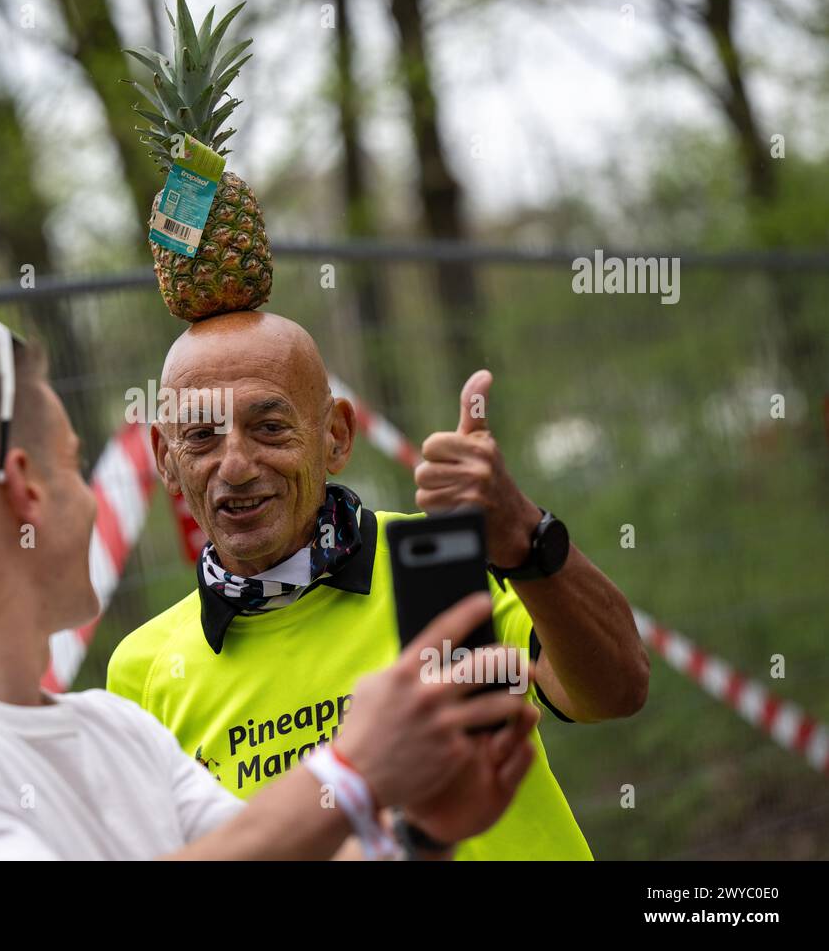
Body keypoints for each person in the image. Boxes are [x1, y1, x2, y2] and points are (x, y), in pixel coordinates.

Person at [0, 302, 539, 861]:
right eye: (77, 465)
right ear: (25, 489)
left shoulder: (118, 733)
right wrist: (353, 771)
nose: (99, 497)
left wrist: (424, 829)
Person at [108, 310, 651, 860]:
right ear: (166, 460)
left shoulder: (442, 559)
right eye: (202, 436)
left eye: (270, 428)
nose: (237, 465)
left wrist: (524, 537)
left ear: (336, 437)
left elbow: (616, 690)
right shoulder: (141, 671)